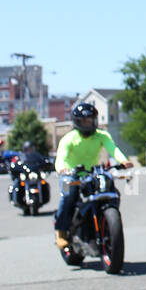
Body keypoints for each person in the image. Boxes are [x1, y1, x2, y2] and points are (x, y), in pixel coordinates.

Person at [54, 101, 132, 249]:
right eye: (84, 121)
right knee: (68, 195)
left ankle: (107, 222)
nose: (88, 124)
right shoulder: (69, 138)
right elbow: (61, 158)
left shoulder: (102, 136)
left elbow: (113, 149)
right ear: (77, 122)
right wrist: (63, 169)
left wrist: (123, 160)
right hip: (70, 175)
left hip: (92, 173)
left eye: (90, 120)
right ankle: (61, 230)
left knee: (111, 191)